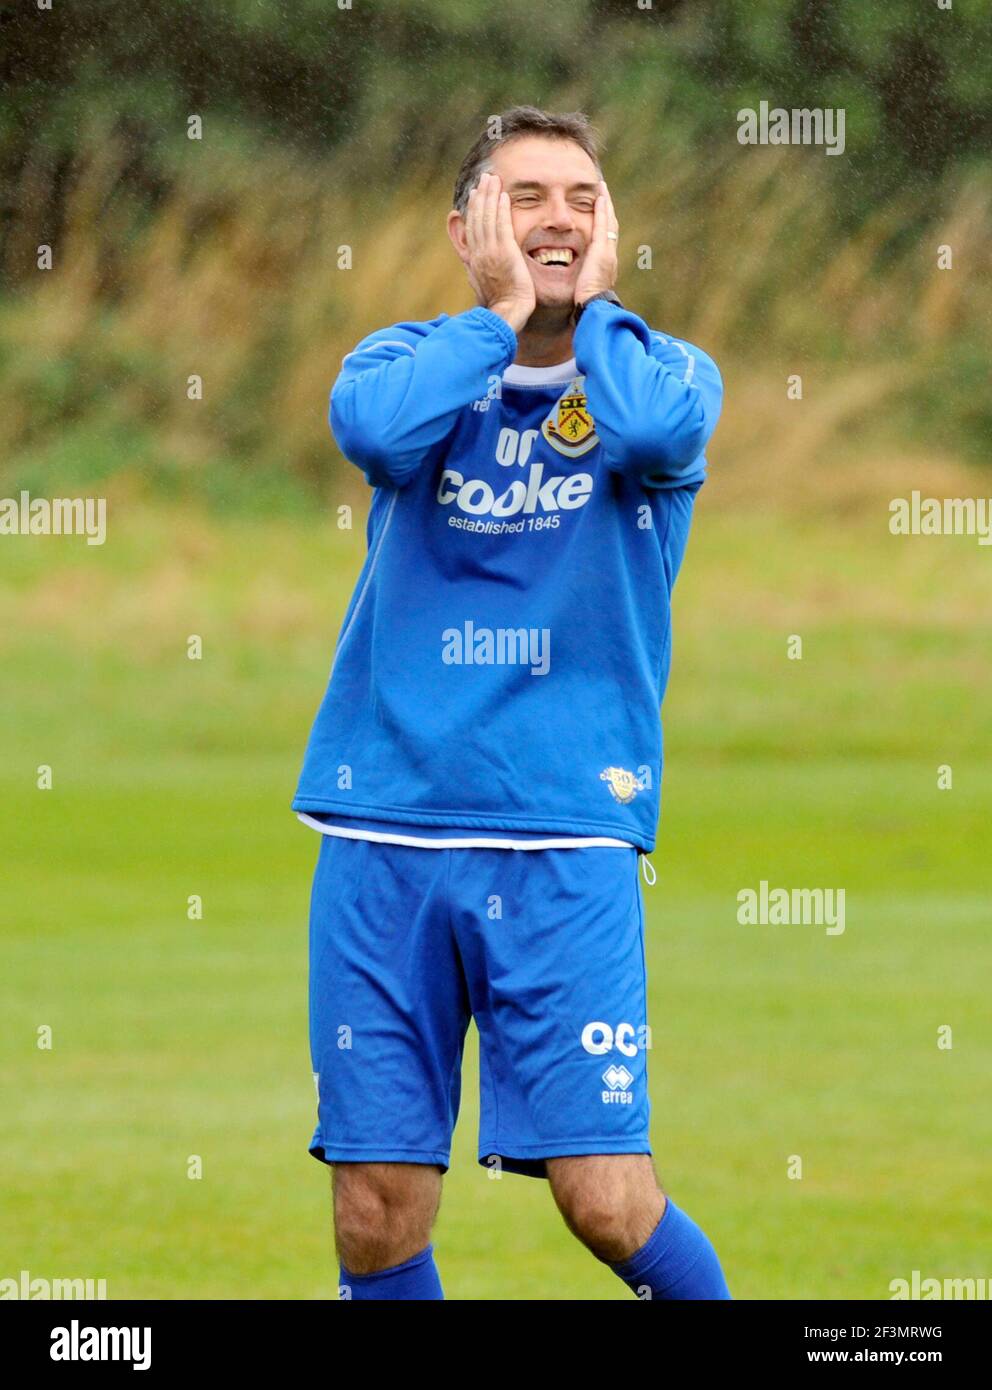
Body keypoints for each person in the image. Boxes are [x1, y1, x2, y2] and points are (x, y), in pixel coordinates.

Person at [293, 105, 730, 1301]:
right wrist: (494, 318)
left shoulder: (664, 374)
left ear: (612, 231)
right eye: (524, 195)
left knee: (603, 1196)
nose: (556, 218)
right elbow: (377, 437)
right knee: (374, 1211)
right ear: (465, 226)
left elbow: (643, 426)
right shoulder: (402, 364)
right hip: (385, 827)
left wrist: (588, 312)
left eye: (581, 199)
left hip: (562, 834)